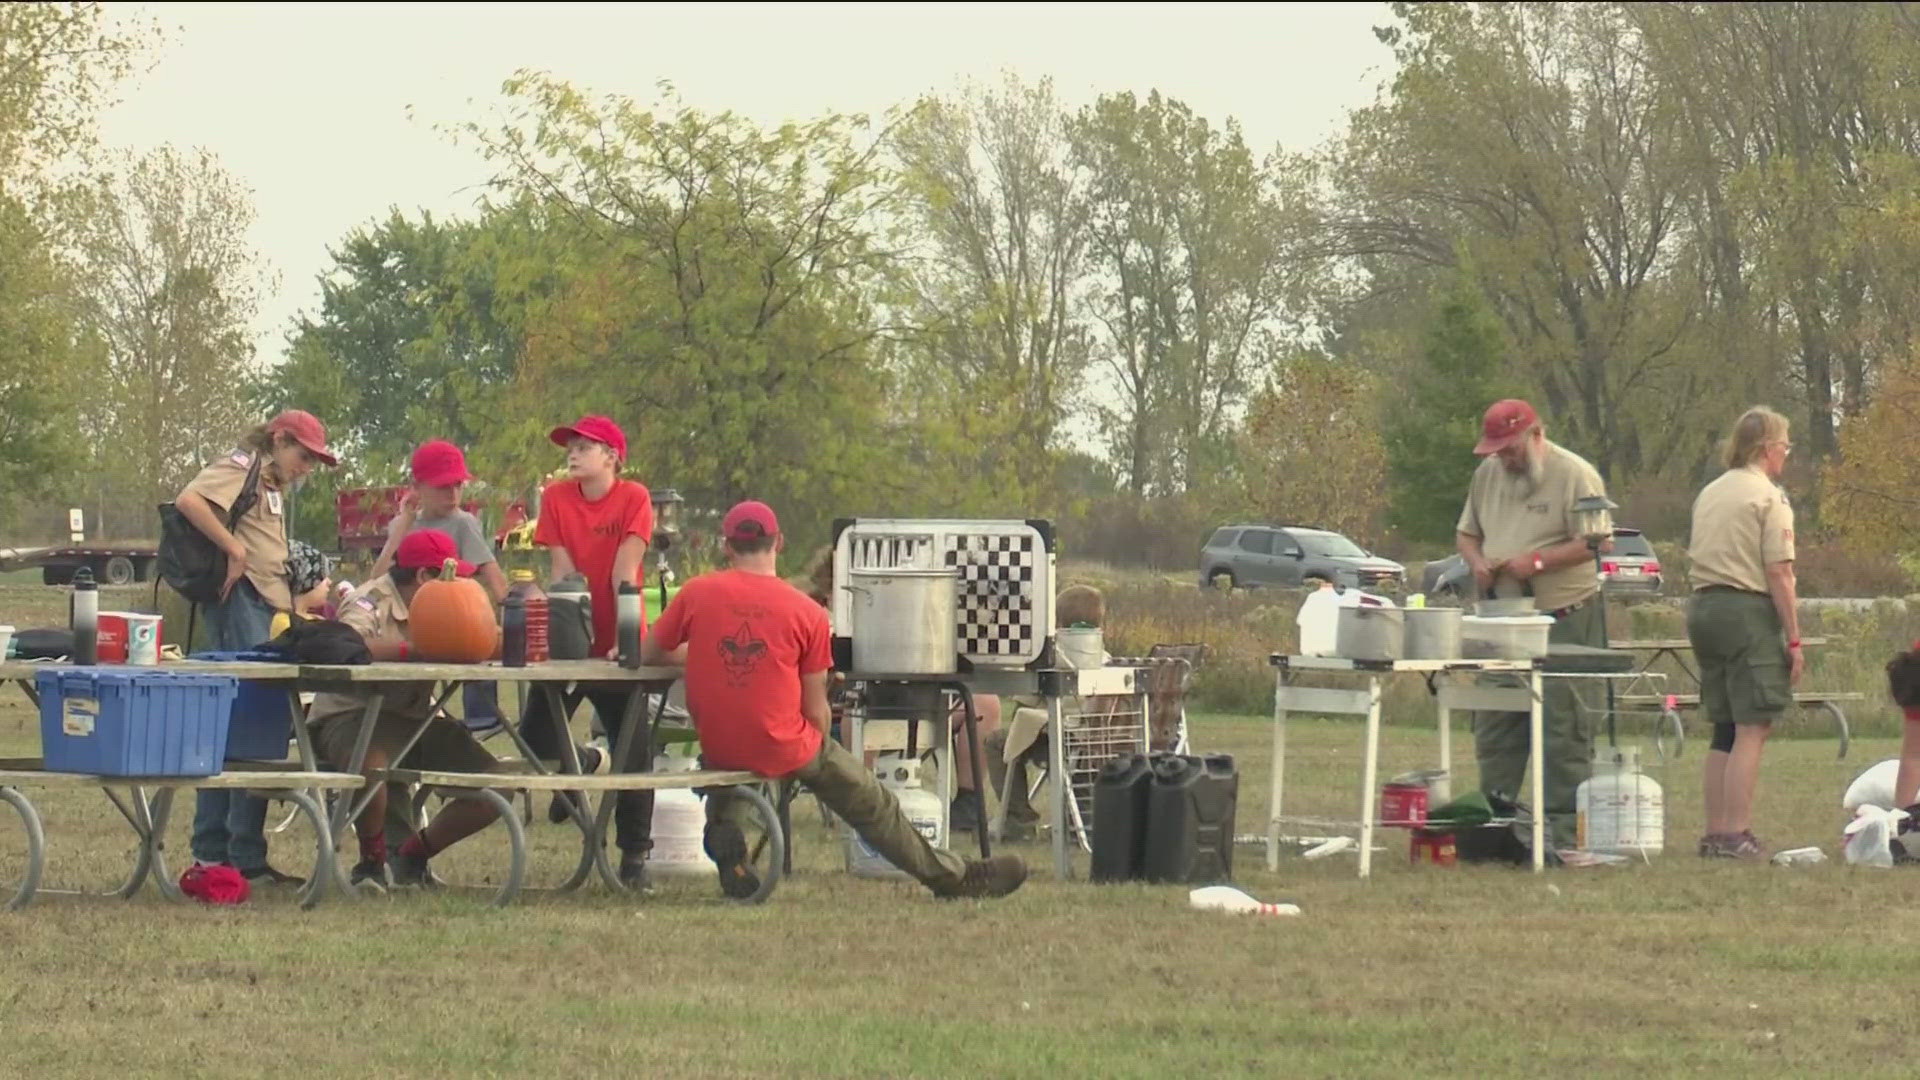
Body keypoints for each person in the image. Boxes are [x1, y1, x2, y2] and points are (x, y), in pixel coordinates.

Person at [642, 501, 1026, 900]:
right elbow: (814, 711)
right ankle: (952, 877)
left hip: (718, 742)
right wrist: (823, 733)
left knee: (730, 761)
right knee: (873, 803)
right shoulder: (806, 612)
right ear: (779, 543)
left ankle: (724, 832)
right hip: (782, 745)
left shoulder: (697, 592)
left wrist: (705, 652)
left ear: (727, 546)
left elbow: (650, 652)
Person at [173, 409, 337, 887]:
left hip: (269, 606)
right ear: (279, 439)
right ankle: (213, 853)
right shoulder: (242, 464)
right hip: (241, 601)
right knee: (230, 731)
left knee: (258, 732)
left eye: (313, 459)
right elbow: (189, 500)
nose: (307, 466)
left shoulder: (272, 485)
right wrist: (235, 550)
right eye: (303, 455)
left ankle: (247, 855)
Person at [308, 530, 504, 890]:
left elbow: (473, 635)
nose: (460, 583)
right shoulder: (370, 600)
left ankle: (412, 854)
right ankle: (371, 861)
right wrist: (411, 649)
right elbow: (347, 644)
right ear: (424, 577)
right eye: (452, 575)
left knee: (497, 784)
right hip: (350, 715)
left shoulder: (448, 604)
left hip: (416, 717)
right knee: (371, 765)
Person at [1454, 399, 1611, 850]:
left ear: (1535, 436)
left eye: (1510, 449)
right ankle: (1494, 825)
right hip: (1502, 621)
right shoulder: (1486, 475)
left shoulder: (1575, 474)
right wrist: (1479, 562)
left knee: (1563, 727)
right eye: (1496, 450)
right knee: (1496, 723)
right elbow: (1466, 532)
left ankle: (1562, 834)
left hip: (1564, 617)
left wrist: (1536, 562)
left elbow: (1595, 541)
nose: (1504, 458)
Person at [516, 415, 657, 889]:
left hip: (618, 635)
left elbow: (626, 569)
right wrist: (565, 639)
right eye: (570, 447)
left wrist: (624, 635)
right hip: (572, 636)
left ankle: (635, 857)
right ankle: (580, 769)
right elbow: (563, 572)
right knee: (535, 736)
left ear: (612, 457)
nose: (572, 454)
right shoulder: (555, 498)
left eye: (584, 446)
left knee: (633, 749)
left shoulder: (634, 498)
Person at [1686, 406, 1801, 859]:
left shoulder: (1709, 493)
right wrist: (1794, 638)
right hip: (1745, 610)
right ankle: (1737, 833)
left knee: (1725, 725)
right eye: (1785, 448)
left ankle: (1715, 832)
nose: (1785, 457)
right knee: (1754, 723)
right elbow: (1779, 571)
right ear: (1769, 448)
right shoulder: (1769, 497)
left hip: (1703, 607)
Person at [368, 440, 511, 738]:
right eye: (443, 487)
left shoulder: (463, 522)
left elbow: (491, 573)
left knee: (477, 639)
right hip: (409, 619)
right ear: (417, 487)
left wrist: (511, 612)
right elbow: (377, 580)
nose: (453, 494)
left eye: (458, 485)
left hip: (454, 618)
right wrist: (405, 523)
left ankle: (483, 717)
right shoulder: (403, 524)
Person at [985, 584, 1108, 841]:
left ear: (1057, 621)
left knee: (997, 742)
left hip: (1060, 740)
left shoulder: (1051, 659)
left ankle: (1018, 819)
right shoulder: (1106, 659)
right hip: (1101, 742)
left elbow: (1023, 709)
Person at [269, 539, 334, 640]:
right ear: (306, 581)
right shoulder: (285, 623)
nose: (330, 582)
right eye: (322, 577)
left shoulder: (318, 620)